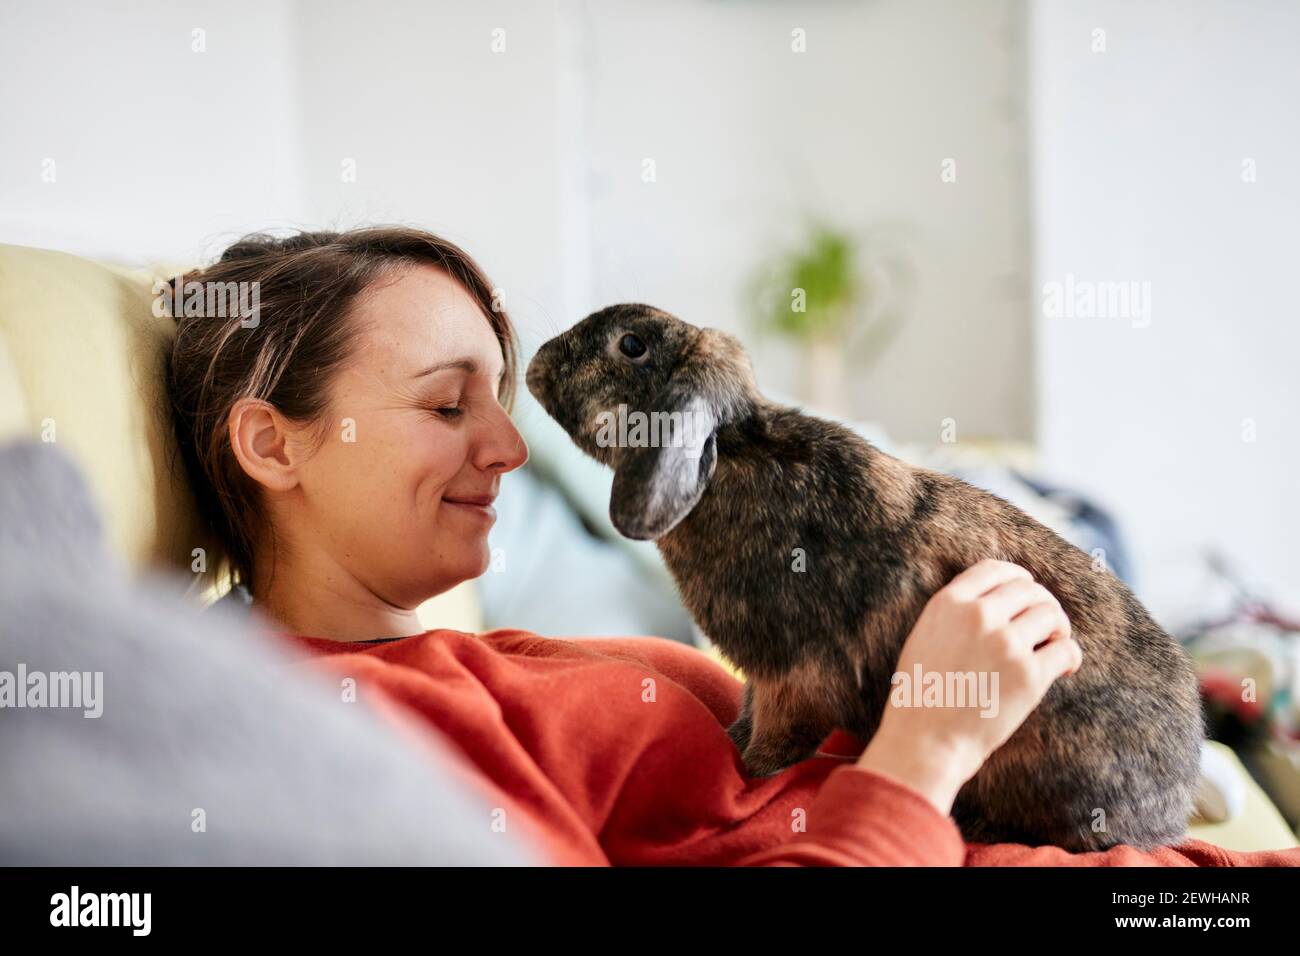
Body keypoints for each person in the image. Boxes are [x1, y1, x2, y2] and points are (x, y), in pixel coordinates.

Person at [165, 227, 1299, 866]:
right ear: (274, 443)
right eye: (447, 405)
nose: (510, 444)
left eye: (500, 399)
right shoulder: (352, 727)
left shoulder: (504, 658)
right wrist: (930, 743)